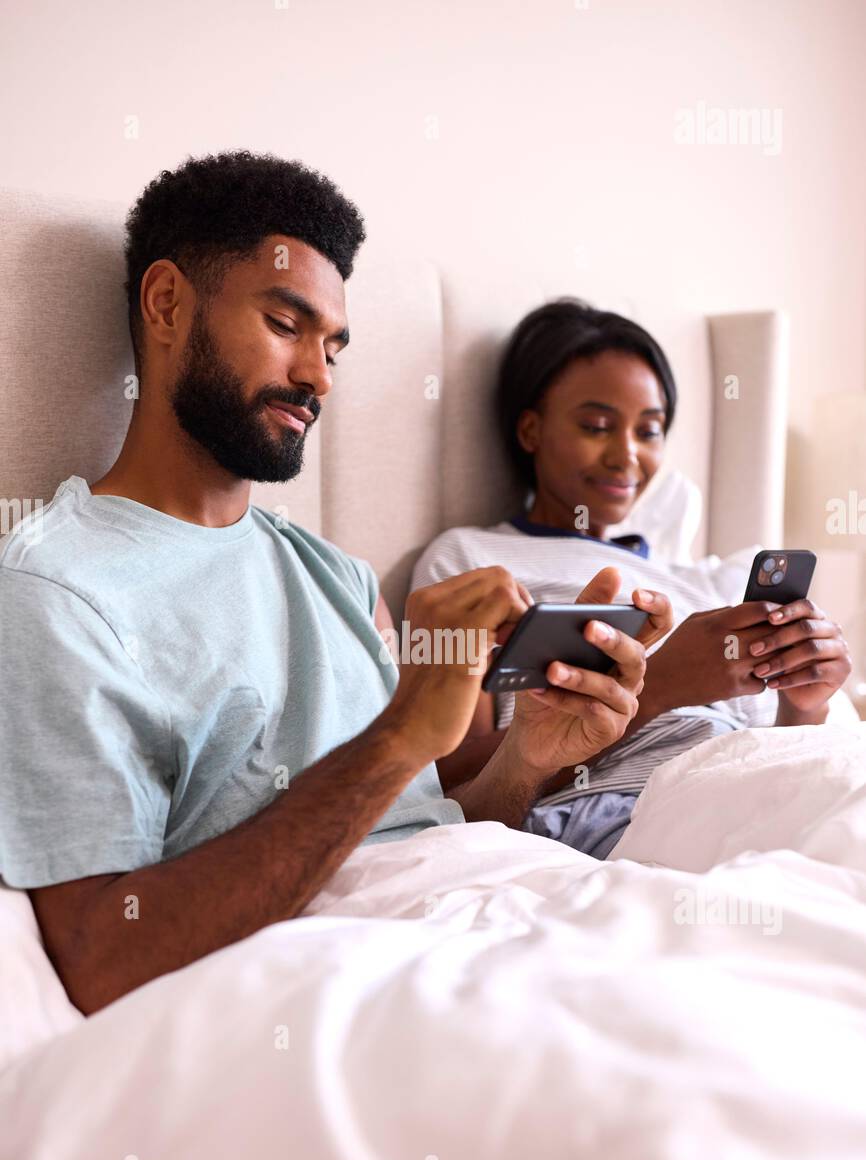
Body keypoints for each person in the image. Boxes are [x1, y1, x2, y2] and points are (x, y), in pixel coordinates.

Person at [0, 154, 670, 1017]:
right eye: (286, 323)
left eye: (333, 348)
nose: (318, 377)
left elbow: (420, 834)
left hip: (514, 917)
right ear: (167, 304)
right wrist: (396, 738)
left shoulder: (340, 577)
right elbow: (103, 957)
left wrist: (527, 761)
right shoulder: (58, 589)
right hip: (358, 992)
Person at [411, 299, 852, 859]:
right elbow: (441, 774)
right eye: (596, 426)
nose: (627, 455)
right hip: (619, 805)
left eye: (649, 431)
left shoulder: (704, 583)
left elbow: (771, 755)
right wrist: (661, 685)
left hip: (765, 785)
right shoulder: (473, 560)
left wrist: (805, 705)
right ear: (530, 429)